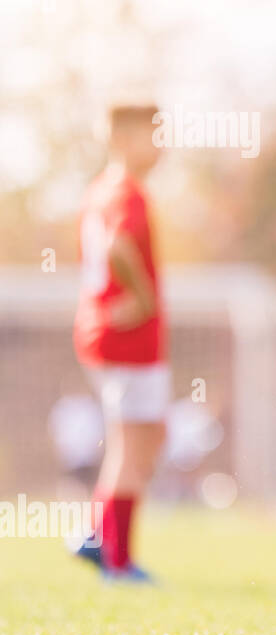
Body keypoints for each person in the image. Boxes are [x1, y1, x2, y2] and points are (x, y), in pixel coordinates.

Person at [73, 104, 169, 582]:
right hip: (126, 336)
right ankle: (118, 560)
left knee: (147, 438)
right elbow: (116, 245)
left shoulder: (100, 190)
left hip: (107, 333)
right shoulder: (125, 192)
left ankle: (96, 536)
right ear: (126, 139)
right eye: (155, 134)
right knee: (131, 448)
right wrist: (143, 296)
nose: (163, 145)